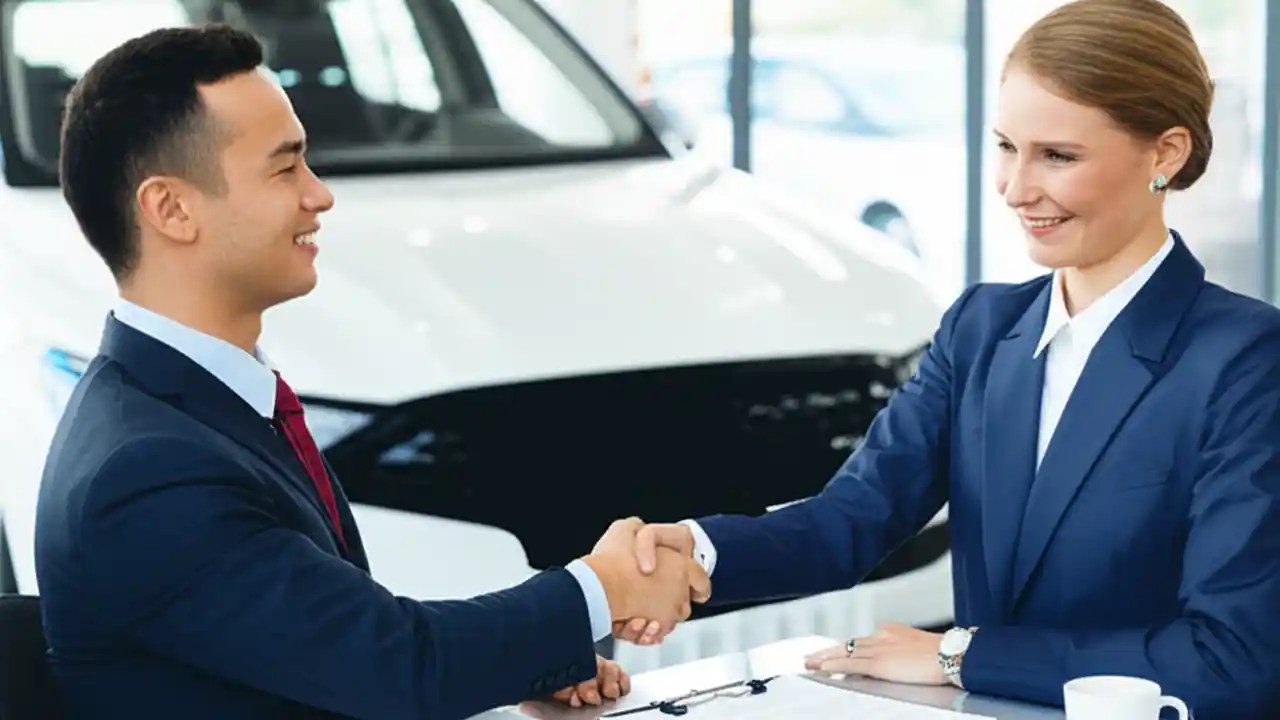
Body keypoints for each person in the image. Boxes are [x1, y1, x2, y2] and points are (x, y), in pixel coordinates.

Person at [616, 1, 1280, 717]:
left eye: (1057, 155)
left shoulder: (1245, 361)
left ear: (1165, 155)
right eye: (1005, 146)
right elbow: (853, 519)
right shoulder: (981, 328)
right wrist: (689, 551)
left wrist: (957, 656)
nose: (1017, 189)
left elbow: (1228, 658)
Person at [33, 26, 709, 720]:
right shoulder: (145, 471)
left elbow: (329, 633)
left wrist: (514, 662)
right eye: (284, 168)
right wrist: (602, 587)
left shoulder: (196, 404)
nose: (319, 195)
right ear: (171, 209)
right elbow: (395, 662)